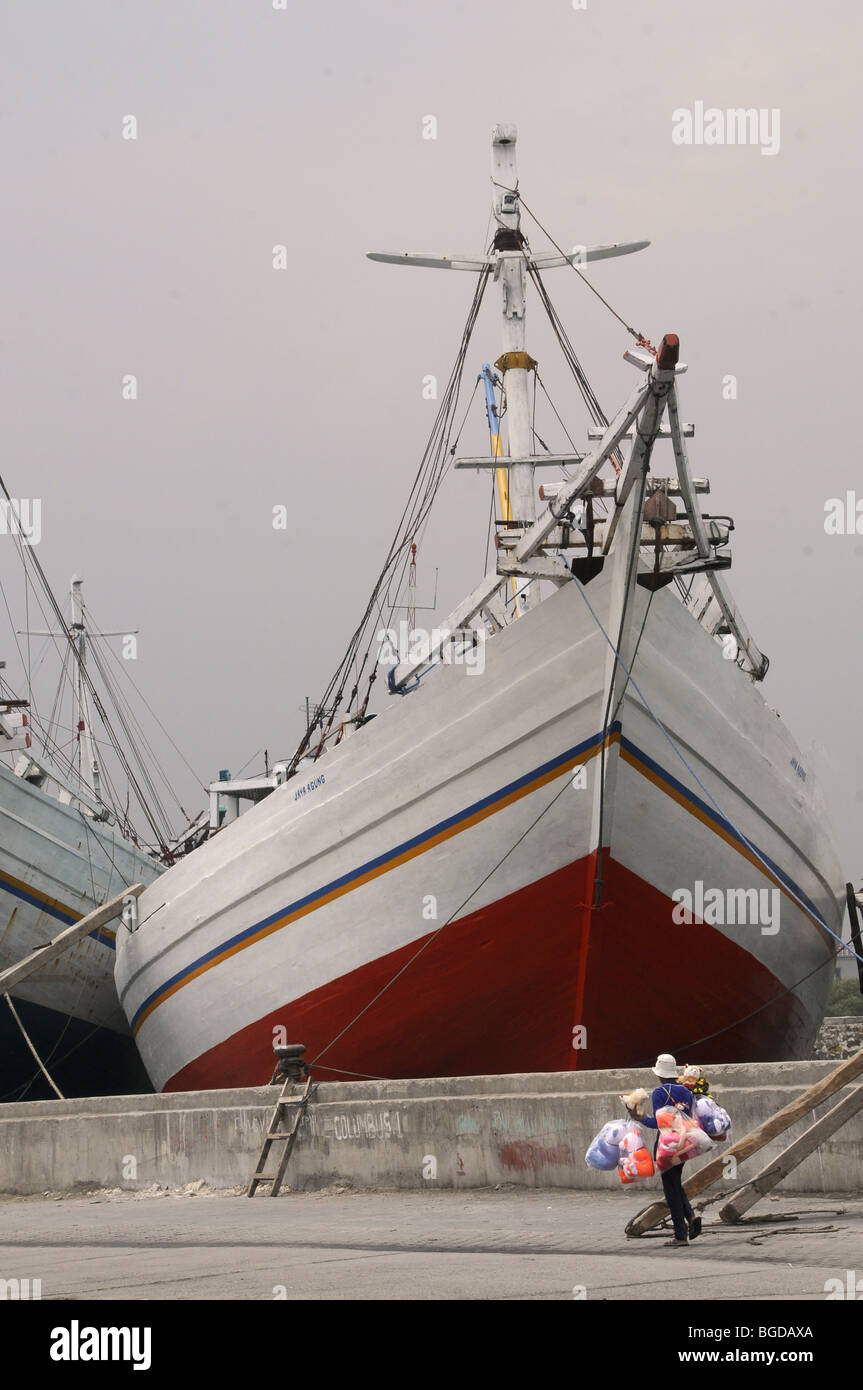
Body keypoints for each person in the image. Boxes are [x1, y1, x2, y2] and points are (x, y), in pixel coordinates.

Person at [633, 1053, 702, 1248]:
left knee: (670, 1190)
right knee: (675, 1184)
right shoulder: (686, 1091)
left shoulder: (659, 1093)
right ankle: (691, 1216)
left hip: (667, 1146)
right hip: (685, 1144)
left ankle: (680, 1235)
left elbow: (660, 1122)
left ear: (659, 1074)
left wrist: (641, 1118)